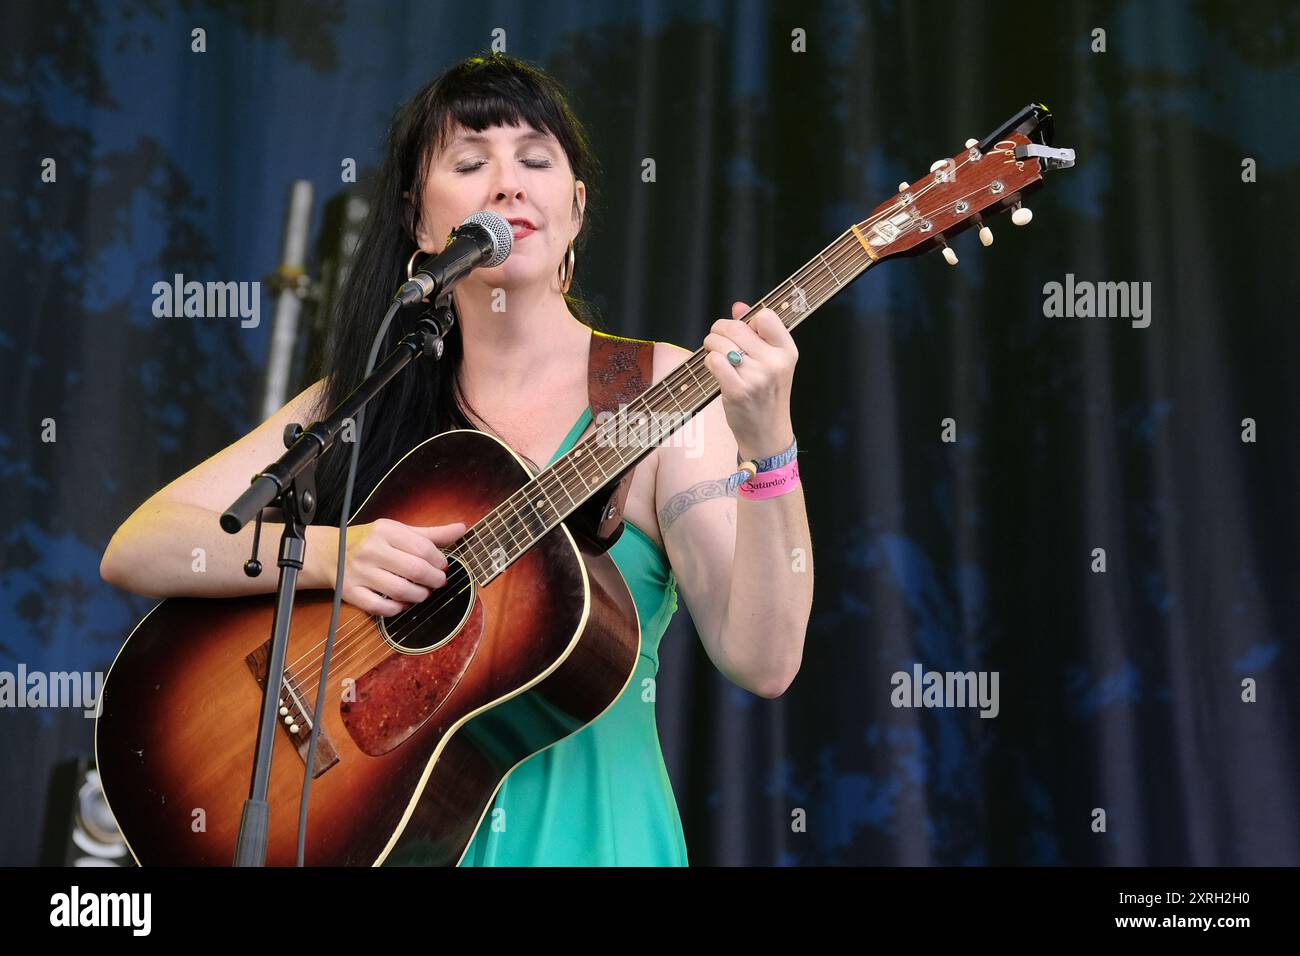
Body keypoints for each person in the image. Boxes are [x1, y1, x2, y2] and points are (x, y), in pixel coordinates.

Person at [99, 51, 813, 866]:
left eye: (537, 160)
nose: (508, 184)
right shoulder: (373, 396)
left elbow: (764, 660)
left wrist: (769, 446)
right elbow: (141, 544)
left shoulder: (653, 391)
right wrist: (342, 554)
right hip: (382, 839)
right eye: (470, 162)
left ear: (575, 210)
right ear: (419, 221)